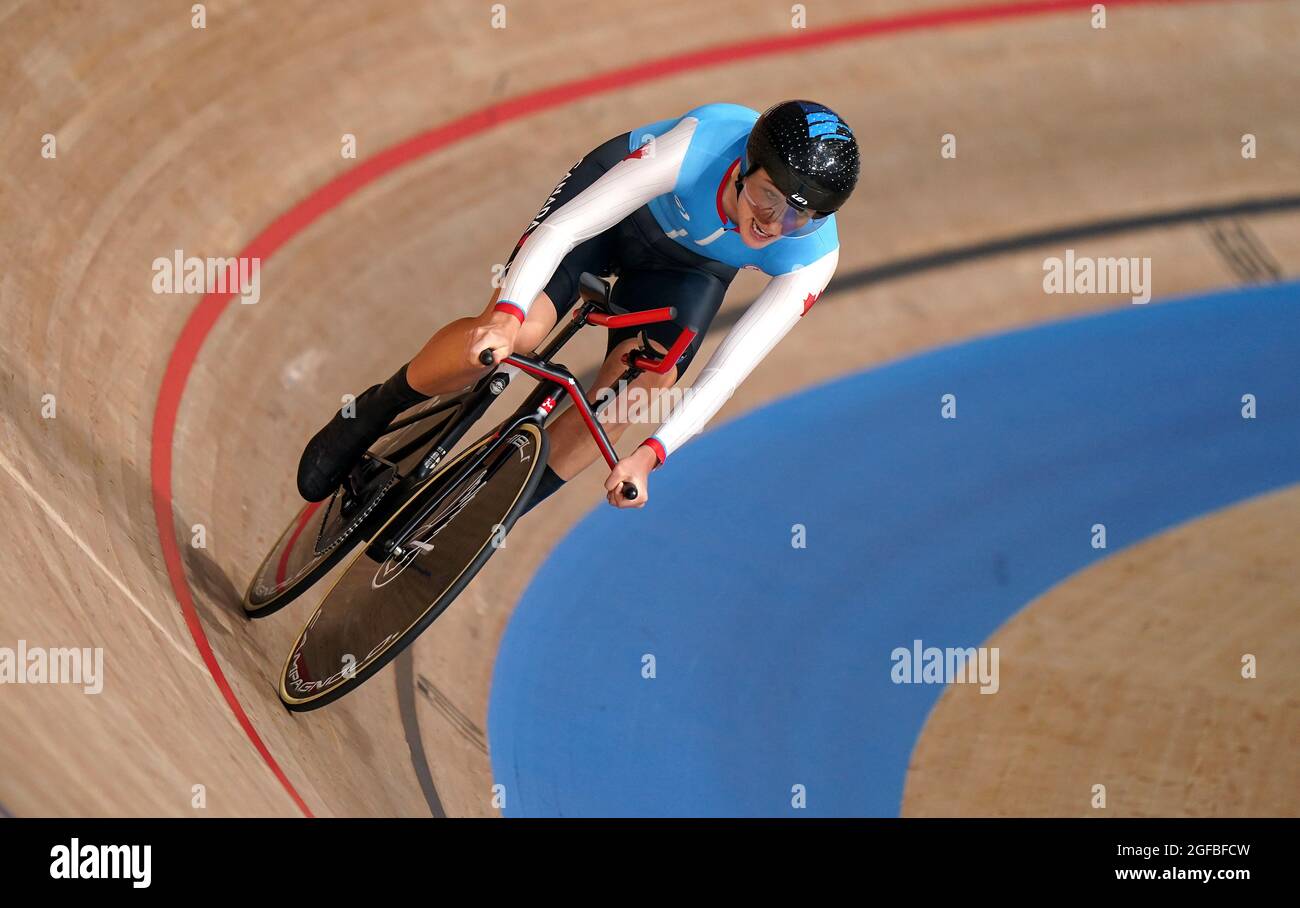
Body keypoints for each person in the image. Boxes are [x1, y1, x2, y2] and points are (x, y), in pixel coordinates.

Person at [296, 100, 859, 511]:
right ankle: (379, 407)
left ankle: (480, 521)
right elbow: (567, 229)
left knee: (641, 390)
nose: (772, 224)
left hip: (684, 271)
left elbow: (727, 372)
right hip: (612, 217)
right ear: (743, 166)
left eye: (796, 217)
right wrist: (505, 315)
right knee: (518, 337)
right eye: (768, 199)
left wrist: (650, 455)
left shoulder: (811, 255)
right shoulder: (704, 145)